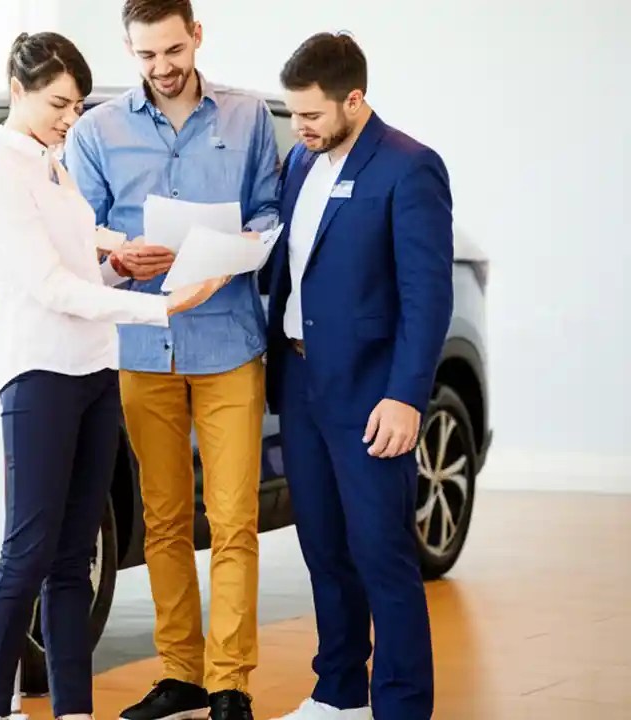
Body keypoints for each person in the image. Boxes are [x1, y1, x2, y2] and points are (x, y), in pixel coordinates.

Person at [0, 31, 229, 720]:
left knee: (75, 557)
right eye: (57, 103)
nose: (69, 119)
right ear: (16, 90)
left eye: (78, 106)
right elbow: (49, 288)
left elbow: (79, 268)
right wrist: (160, 306)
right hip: (41, 376)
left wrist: (118, 266)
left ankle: (75, 710)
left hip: (91, 370)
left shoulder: (54, 166)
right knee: (27, 553)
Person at [62, 1, 280, 718]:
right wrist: (117, 254)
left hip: (228, 342)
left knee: (233, 518)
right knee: (161, 519)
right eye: (147, 55)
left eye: (173, 50)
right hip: (141, 345)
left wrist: (234, 256)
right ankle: (181, 671)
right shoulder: (97, 131)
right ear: (131, 51)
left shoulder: (247, 119)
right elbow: (80, 232)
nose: (162, 67)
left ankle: (230, 683)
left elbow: (271, 216)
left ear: (196, 37)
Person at [264, 32, 452, 720]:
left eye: (311, 114)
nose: (300, 127)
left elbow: (428, 296)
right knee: (323, 549)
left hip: (373, 395)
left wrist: (406, 395)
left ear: (355, 99)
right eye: (293, 115)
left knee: (382, 556)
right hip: (303, 385)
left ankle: (400, 707)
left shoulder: (409, 168)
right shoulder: (300, 164)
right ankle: (338, 691)